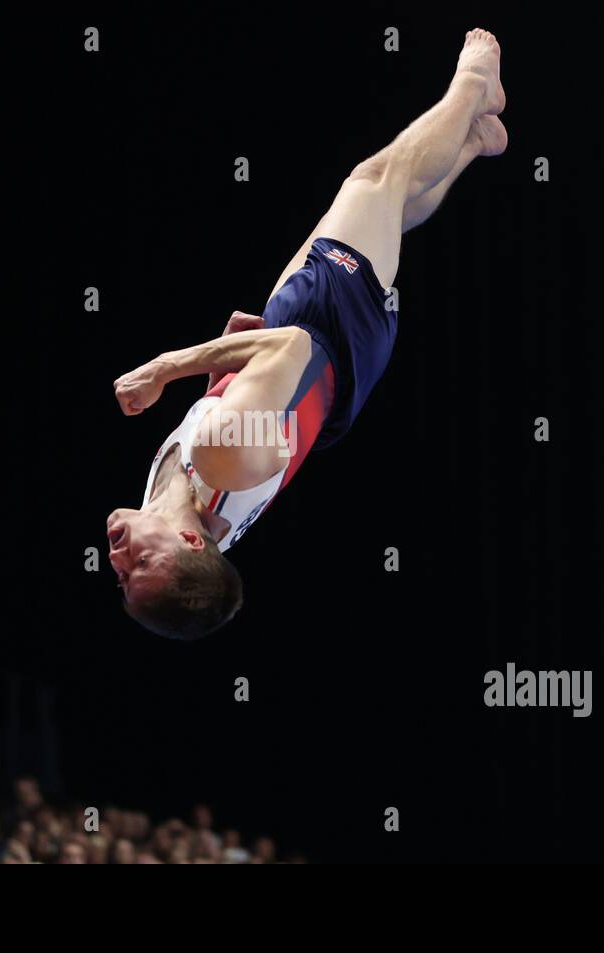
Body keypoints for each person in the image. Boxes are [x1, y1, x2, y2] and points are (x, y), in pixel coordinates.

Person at [108, 29, 507, 639]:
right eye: (142, 563)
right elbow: (288, 350)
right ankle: (477, 81)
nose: (118, 558)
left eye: (122, 576)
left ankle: (474, 141)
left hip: (321, 372)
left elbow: (251, 411)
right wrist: (165, 367)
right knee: (374, 182)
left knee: (383, 214)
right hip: (324, 337)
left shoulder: (174, 499)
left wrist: (224, 380)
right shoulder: (222, 458)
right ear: (191, 541)